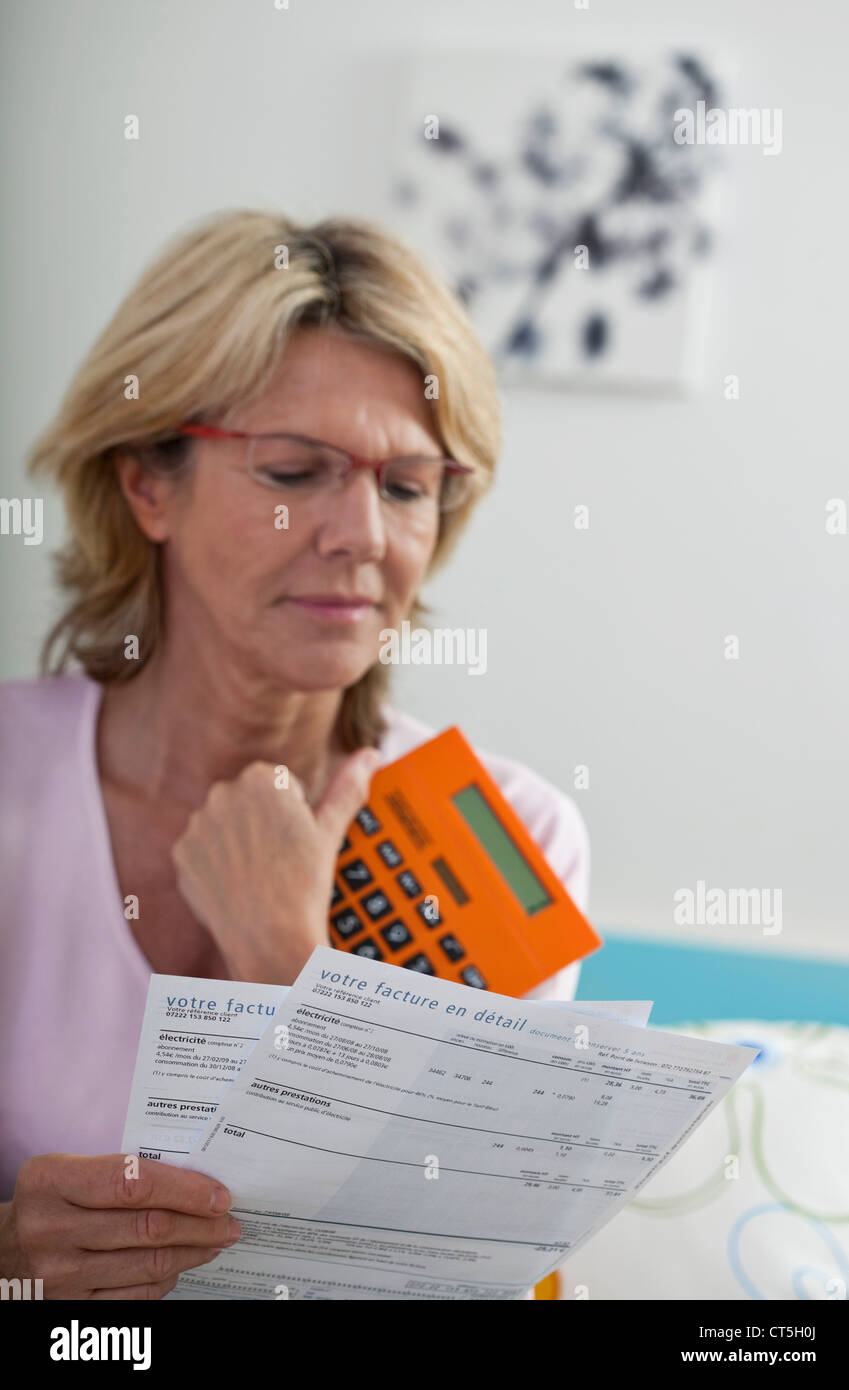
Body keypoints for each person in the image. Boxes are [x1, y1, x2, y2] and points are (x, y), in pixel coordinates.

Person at [0, 209, 590, 1299]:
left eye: (406, 484)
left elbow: (463, 1278)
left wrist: (288, 959)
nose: (362, 533)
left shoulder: (510, 835)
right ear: (147, 484)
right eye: (292, 472)